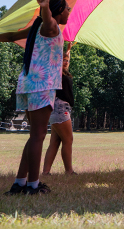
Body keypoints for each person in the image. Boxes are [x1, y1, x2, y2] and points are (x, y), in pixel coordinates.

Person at [0, 0, 69, 196]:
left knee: (34, 136)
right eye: (67, 8)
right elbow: (48, 18)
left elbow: (11, 37)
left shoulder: (37, 28)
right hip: (41, 86)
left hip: (29, 84)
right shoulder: (50, 26)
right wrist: (45, 7)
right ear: (59, 11)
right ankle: (33, 186)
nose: (69, 11)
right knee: (38, 136)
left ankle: (20, 182)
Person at [41, 46, 77, 176]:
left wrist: (68, 50)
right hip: (61, 108)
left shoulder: (63, 72)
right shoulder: (56, 72)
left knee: (55, 142)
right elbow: (57, 61)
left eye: (67, 60)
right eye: (63, 60)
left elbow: (66, 59)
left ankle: (45, 172)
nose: (66, 62)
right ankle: (69, 171)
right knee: (68, 140)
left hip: (56, 109)